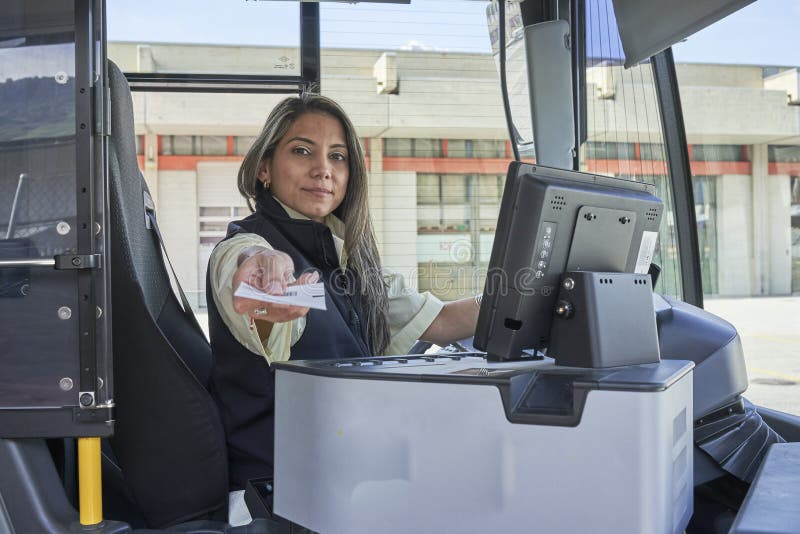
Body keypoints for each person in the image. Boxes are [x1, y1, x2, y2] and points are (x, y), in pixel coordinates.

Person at [206, 94, 481, 507]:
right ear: (264, 167)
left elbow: (441, 320)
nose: (323, 170)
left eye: (338, 157)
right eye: (302, 151)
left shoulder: (344, 252)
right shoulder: (249, 242)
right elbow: (243, 267)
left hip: (348, 461)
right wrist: (260, 268)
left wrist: (535, 293)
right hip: (284, 489)